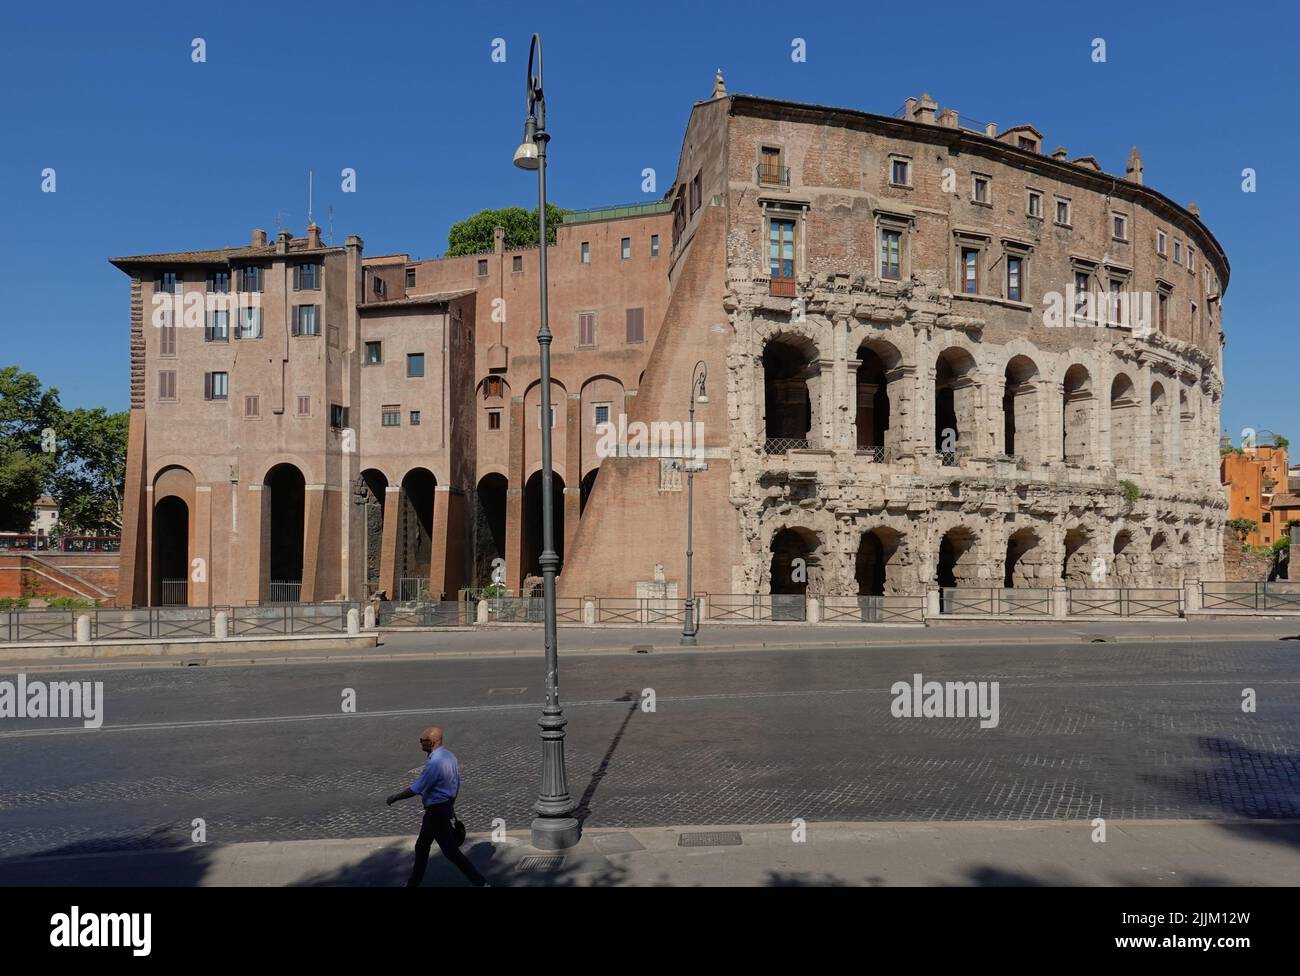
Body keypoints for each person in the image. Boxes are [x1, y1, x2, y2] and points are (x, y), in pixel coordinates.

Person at [387, 726, 487, 887]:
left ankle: (481, 882)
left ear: (432, 743)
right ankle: (414, 883)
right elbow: (456, 784)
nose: (420, 743)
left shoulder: (434, 763)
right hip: (443, 808)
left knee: (447, 851)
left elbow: (416, 788)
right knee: (427, 847)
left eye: (423, 741)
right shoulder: (450, 757)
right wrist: (451, 805)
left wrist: (395, 797)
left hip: (436, 812)